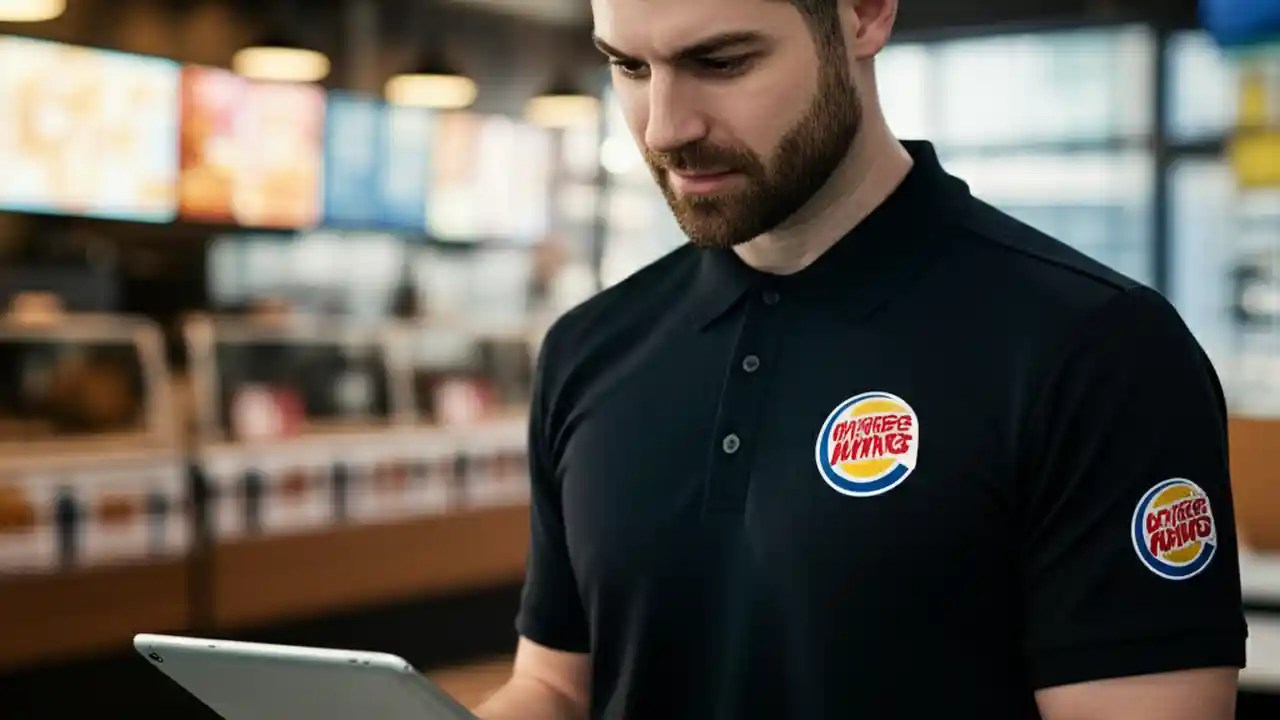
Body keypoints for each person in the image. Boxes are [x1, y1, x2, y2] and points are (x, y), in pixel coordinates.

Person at [475, 0, 1248, 717]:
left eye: (722, 61)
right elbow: (556, 684)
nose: (663, 129)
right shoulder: (589, 348)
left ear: (865, 13)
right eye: (631, 68)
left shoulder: (1098, 348)